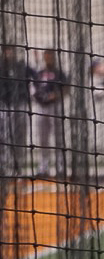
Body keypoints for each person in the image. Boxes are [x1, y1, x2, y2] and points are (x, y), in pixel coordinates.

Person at [30, 49, 69, 179]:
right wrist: (37, 95)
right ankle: (43, 167)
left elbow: (66, 89)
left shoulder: (59, 73)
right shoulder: (39, 73)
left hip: (55, 107)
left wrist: (55, 95)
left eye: (50, 56)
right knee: (43, 140)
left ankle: (60, 167)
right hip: (41, 107)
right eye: (46, 56)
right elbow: (34, 88)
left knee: (59, 138)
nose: (48, 59)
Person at [0, 45, 32, 177]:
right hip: (3, 105)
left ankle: (18, 164)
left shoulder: (21, 66)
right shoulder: (1, 66)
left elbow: (34, 78)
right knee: (3, 135)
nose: (8, 53)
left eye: (10, 50)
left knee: (19, 135)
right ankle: (3, 164)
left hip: (19, 105)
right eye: (6, 50)